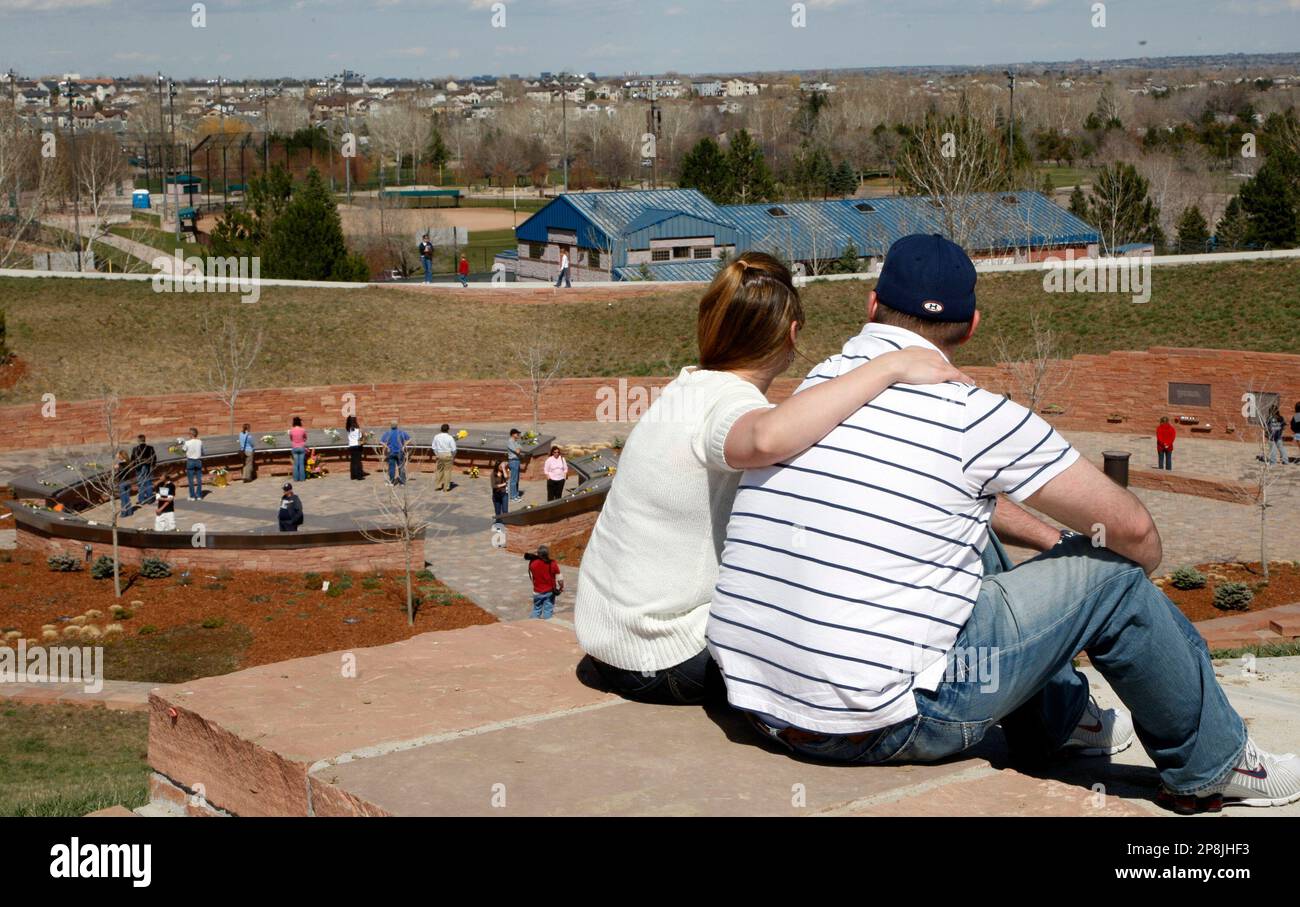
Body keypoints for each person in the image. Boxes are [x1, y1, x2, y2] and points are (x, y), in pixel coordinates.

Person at [706, 234, 1300, 814]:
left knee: (965, 526)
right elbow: (1133, 532)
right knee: (1113, 575)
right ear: (971, 326)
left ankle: (1062, 722)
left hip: (764, 706)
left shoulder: (817, 390)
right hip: (883, 723)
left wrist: (1050, 546)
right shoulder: (970, 411)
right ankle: (1215, 765)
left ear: (871, 306)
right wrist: (1112, 579)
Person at [573, 251, 967, 706]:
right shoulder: (727, 405)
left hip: (611, 645)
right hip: (664, 658)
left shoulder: (686, 389)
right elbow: (764, 438)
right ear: (792, 334)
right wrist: (890, 367)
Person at [525, 545, 564, 620]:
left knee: (536, 609)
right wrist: (561, 587)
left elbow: (532, 576)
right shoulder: (552, 563)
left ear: (538, 554)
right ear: (547, 554)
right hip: (549, 592)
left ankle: (532, 625)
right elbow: (559, 578)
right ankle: (547, 627)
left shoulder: (532, 564)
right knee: (548, 611)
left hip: (537, 592)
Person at [380, 419, 411, 485]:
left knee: (391, 468)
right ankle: (402, 482)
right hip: (400, 452)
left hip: (391, 452)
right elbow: (409, 439)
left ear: (390, 425)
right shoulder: (401, 432)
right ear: (397, 425)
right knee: (401, 467)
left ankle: (391, 481)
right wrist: (403, 446)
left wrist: (387, 447)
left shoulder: (388, 433)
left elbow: (381, 442)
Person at [131, 434, 156, 506]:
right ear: (144, 440)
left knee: (141, 483)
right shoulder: (150, 448)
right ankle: (150, 499)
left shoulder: (135, 449)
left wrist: (134, 467)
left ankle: (141, 500)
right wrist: (152, 466)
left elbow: (132, 459)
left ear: (138, 440)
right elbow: (154, 458)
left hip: (139, 467)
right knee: (148, 482)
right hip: (148, 467)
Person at [432, 423, 457, 492]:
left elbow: (433, 447)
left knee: (439, 470)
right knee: (447, 471)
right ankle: (446, 487)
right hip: (448, 455)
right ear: (448, 430)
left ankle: (438, 485)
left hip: (439, 454)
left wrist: (437, 454)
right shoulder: (450, 437)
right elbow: (454, 449)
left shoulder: (436, 436)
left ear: (441, 429)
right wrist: (453, 456)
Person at [183, 427, 203, 501]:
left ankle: (192, 496)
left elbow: (183, 450)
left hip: (190, 461)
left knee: (191, 480)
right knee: (199, 479)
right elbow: (202, 450)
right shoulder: (200, 441)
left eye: (189, 433)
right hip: (198, 460)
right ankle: (199, 495)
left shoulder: (187, 442)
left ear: (191, 434)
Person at [114, 450, 134, 517]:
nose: (118, 457)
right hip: (128, 481)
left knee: (123, 499)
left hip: (122, 482)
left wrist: (116, 458)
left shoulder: (119, 465)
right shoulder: (129, 463)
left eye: (119, 456)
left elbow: (115, 470)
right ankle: (130, 512)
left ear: (121, 456)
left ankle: (124, 513)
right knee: (127, 497)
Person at [506, 428, 524, 502]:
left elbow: (521, 448)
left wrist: (519, 448)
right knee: (513, 480)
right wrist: (518, 449)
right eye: (517, 434)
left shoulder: (515, 441)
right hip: (513, 461)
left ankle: (516, 495)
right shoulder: (510, 442)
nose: (518, 435)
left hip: (517, 461)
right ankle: (512, 496)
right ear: (513, 434)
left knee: (516, 479)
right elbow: (517, 451)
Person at [289, 416, 309, 482]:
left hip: (294, 447)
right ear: (300, 422)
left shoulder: (291, 430)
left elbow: (291, 439)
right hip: (302, 447)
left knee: (296, 464)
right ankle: (302, 479)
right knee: (301, 464)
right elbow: (305, 438)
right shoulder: (303, 430)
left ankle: (295, 479)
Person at [346, 415, 365, 480]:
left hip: (351, 446)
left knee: (353, 461)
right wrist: (363, 433)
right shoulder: (357, 429)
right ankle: (359, 476)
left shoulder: (348, 429)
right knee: (358, 461)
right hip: (357, 446)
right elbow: (360, 437)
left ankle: (353, 475)